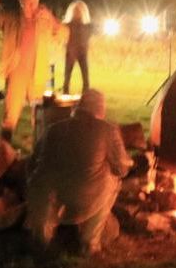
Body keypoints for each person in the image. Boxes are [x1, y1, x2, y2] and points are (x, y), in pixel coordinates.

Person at [25, 89, 131, 255]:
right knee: (114, 179)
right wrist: (129, 161)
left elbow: (32, 163)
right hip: (83, 198)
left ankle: (43, 236)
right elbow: (122, 169)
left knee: (46, 177)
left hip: (47, 197)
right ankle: (90, 242)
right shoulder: (108, 130)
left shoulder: (53, 129)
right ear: (100, 109)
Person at [0, 0, 61, 141]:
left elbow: (63, 33)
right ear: (21, 1)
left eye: (34, 2)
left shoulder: (44, 21)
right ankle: (4, 150)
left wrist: (50, 16)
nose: (31, 6)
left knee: (39, 116)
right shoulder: (12, 19)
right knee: (10, 115)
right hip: (17, 72)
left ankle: (40, 153)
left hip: (37, 74)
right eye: (28, 2)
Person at [61, 0, 94, 94]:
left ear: (83, 12)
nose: (77, 12)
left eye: (79, 10)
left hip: (83, 53)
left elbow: (88, 37)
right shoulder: (67, 25)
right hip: (71, 53)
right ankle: (65, 93)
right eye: (75, 10)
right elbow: (62, 36)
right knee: (67, 76)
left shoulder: (87, 26)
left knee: (85, 76)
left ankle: (86, 95)